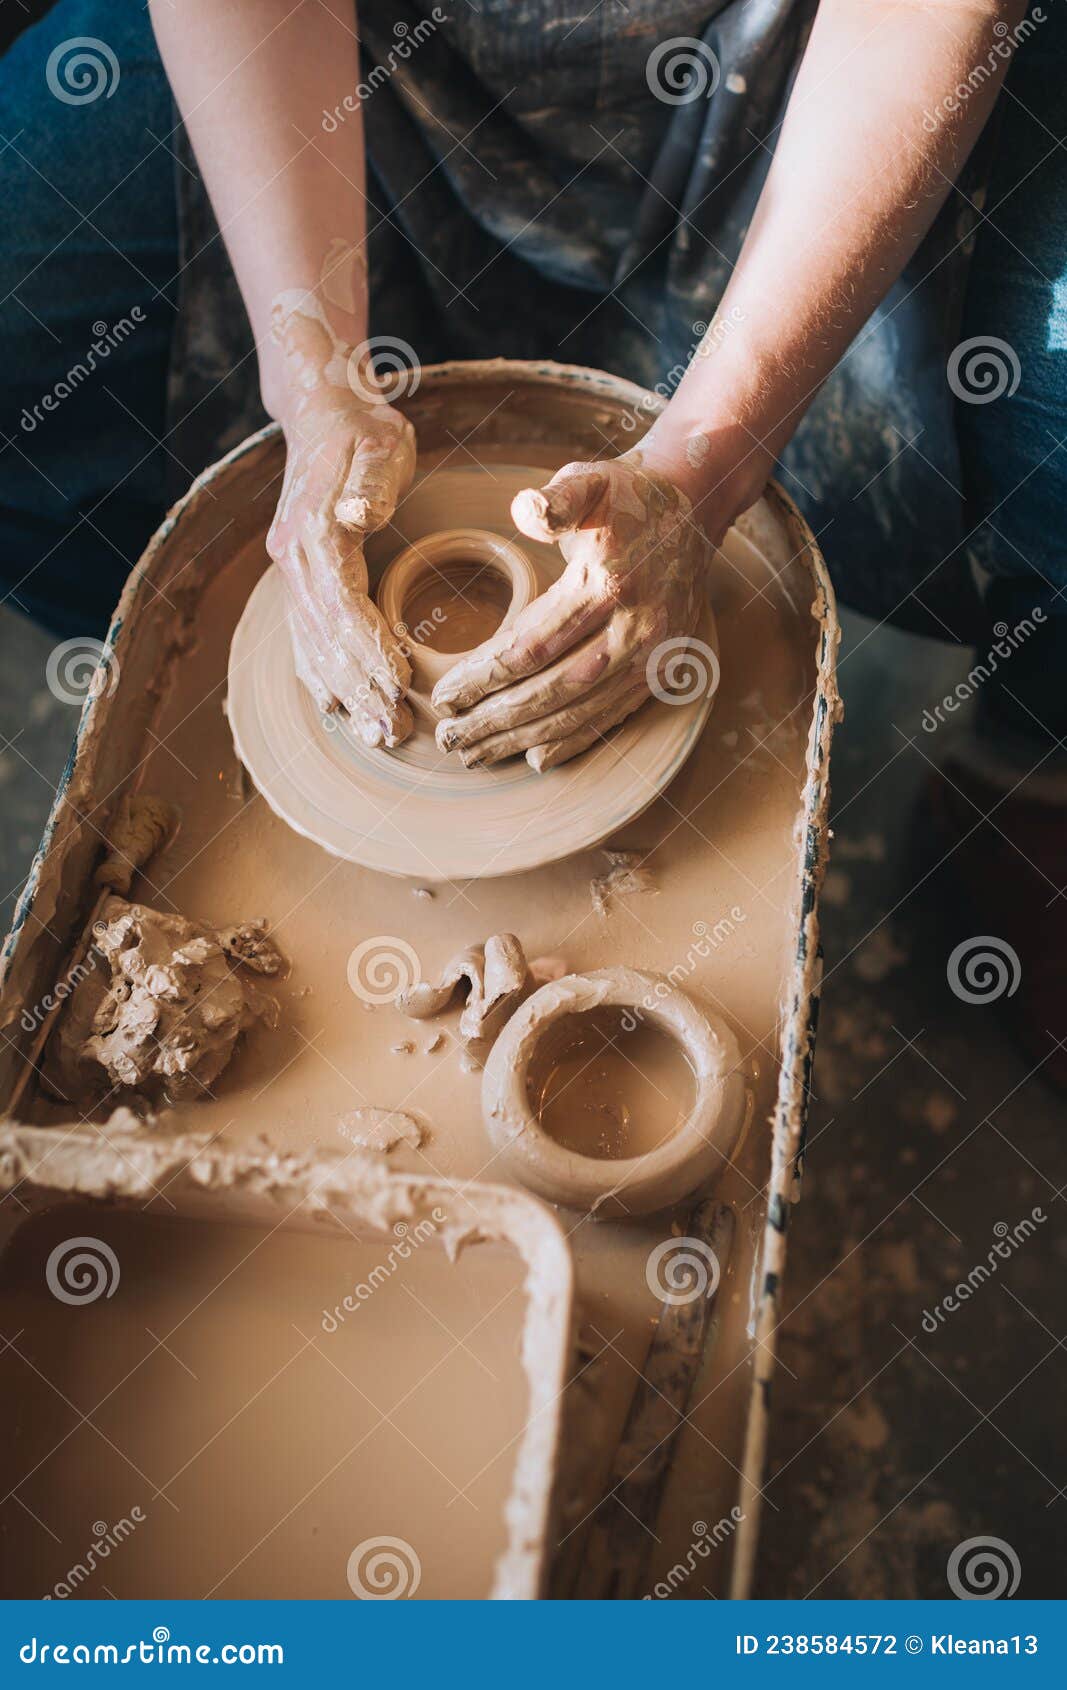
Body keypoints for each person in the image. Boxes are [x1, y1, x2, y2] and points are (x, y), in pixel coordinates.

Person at [1, 1, 1063, 1069]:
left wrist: (701, 475)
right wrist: (315, 380)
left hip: (794, 83)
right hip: (384, 72)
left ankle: (1025, 772)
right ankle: (241, 691)